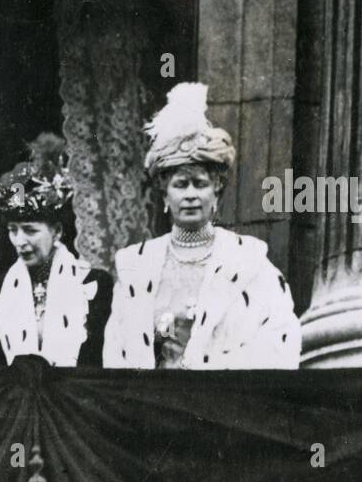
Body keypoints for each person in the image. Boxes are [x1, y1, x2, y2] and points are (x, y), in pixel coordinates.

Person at [103, 83, 301, 370]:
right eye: (180, 185)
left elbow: (280, 343)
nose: (191, 194)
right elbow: (116, 355)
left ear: (216, 189)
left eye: (200, 183)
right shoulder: (136, 266)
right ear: (165, 193)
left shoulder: (248, 261)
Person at [0, 134, 113, 368]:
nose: (20, 241)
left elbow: (100, 365)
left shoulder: (92, 285)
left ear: (57, 231)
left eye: (30, 230)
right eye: (13, 230)